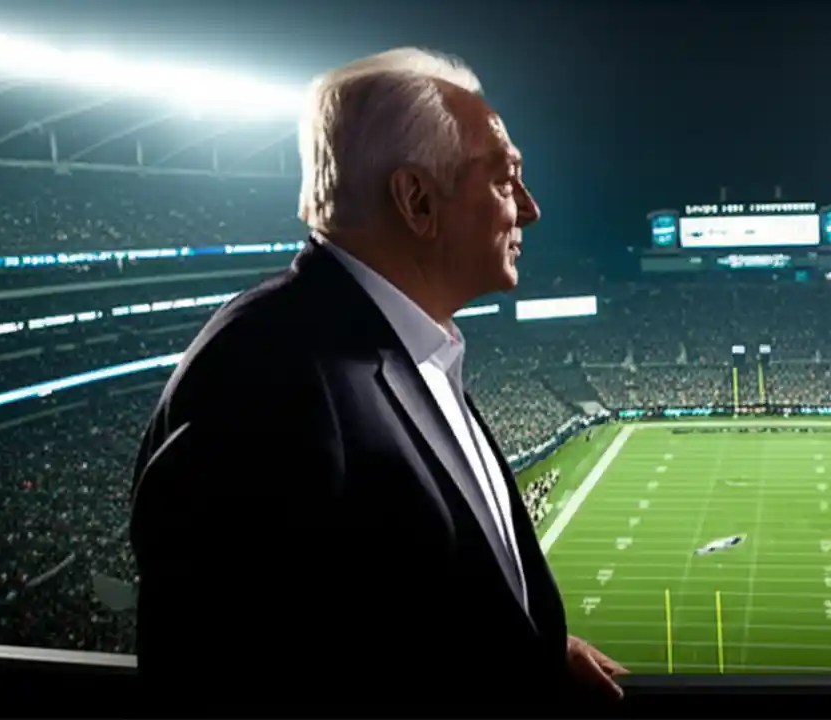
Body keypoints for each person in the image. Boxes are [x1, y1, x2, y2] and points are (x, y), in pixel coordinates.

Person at [128, 48, 625, 715]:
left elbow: (386, 598)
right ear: (417, 199)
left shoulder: (403, 340)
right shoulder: (266, 375)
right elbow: (220, 678)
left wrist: (531, 647)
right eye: (506, 178)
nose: (529, 209)